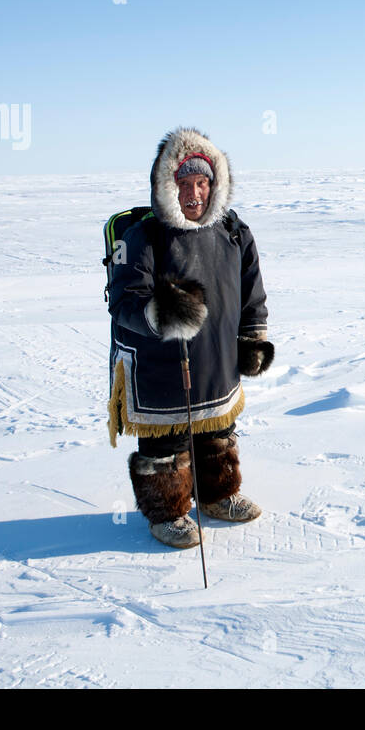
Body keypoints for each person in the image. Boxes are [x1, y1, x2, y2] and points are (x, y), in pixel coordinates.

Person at [106, 127, 274, 548]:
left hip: (217, 359)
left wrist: (252, 339)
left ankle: (217, 496)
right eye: (185, 184)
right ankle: (168, 512)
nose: (195, 193)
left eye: (202, 183)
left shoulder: (234, 231)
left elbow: (252, 293)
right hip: (162, 367)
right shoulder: (143, 235)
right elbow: (125, 302)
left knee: (217, 432)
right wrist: (164, 314)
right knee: (167, 444)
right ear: (167, 186)